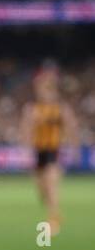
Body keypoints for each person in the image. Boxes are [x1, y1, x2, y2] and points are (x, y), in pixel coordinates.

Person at [20, 67, 77, 234]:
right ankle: (51, 209)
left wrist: (74, 147)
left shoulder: (61, 108)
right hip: (38, 151)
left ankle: (54, 218)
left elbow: (71, 127)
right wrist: (25, 148)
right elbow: (26, 129)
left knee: (52, 183)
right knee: (42, 189)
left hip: (53, 150)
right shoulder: (32, 109)